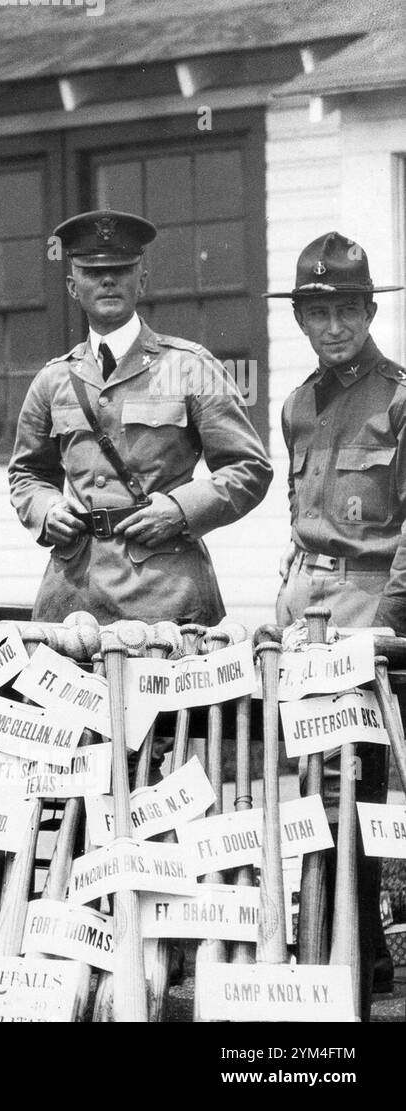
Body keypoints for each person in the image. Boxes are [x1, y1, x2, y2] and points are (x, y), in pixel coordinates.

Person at [9, 209, 272, 626]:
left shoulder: (189, 367)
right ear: (72, 286)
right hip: (74, 594)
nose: (108, 281)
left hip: (164, 593)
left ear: (142, 281)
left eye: (121, 270)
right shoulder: (54, 379)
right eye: (93, 272)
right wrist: (46, 510)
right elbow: (26, 474)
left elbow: (249, 468)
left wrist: (180, 509)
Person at [269, 230, 403, 1003]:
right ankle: (318, 943)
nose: (335, 327)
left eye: (348, 310)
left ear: (369, 309)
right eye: (318, 313)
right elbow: (300, 520)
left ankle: (364, 960)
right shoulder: (295, 405)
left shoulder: (400, 398)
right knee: (306, 786)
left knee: (359, 787)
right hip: (305, 614)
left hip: (369, 613)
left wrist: (387, 625)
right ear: (302, 321)